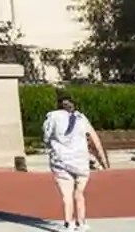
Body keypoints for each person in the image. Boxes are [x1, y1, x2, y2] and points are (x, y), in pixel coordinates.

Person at [43, 92, 109, 231]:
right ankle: (82, 223)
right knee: (79, 193)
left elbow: (46, 138)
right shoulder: (81, 118)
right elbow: (94, 139)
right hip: (80, 161)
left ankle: (68, 223)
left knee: (66, 195)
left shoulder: (52, 117)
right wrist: (103, 160)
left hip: (60, 160)